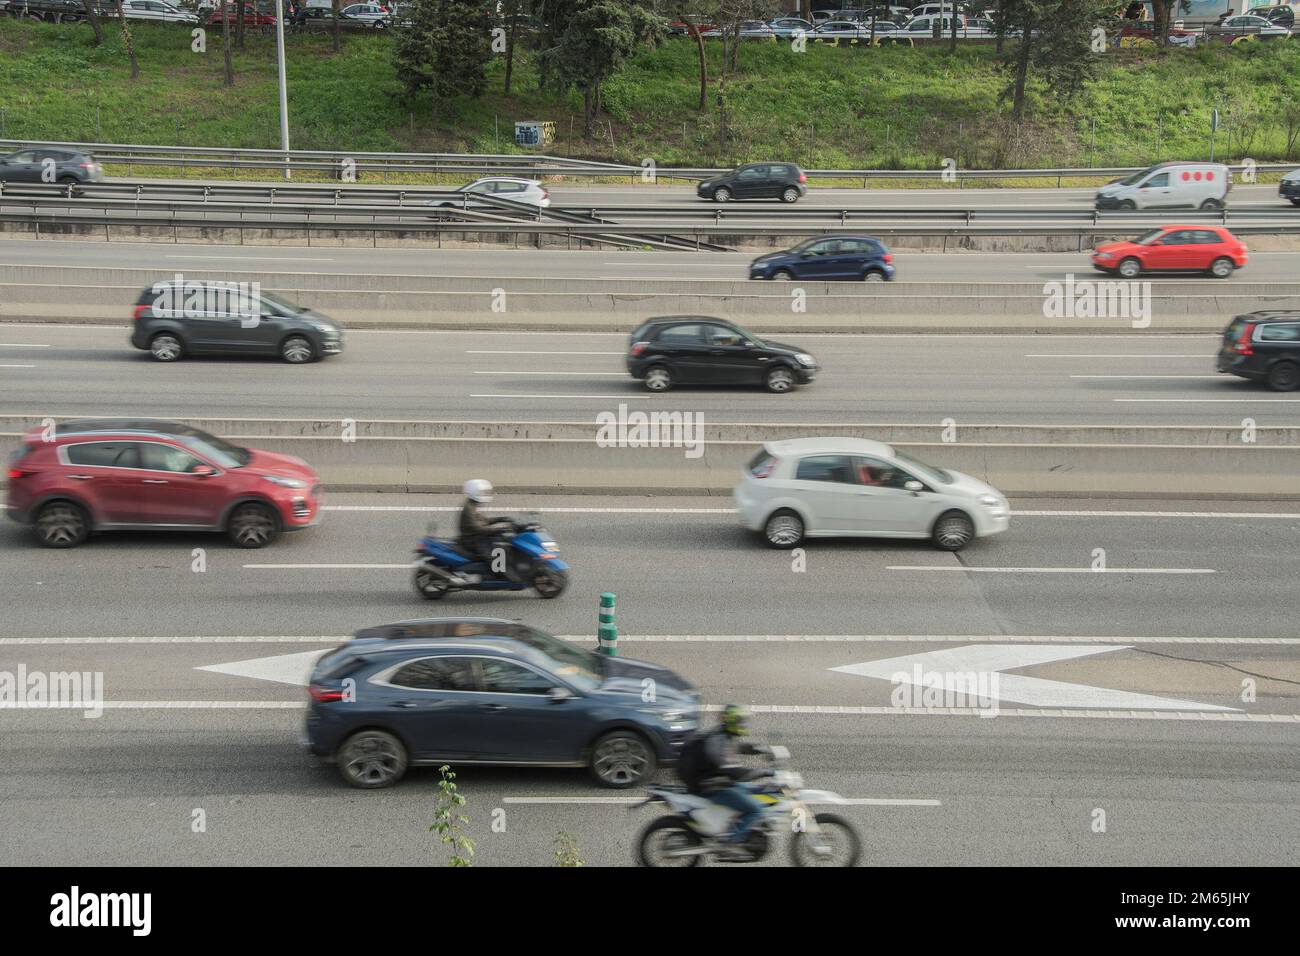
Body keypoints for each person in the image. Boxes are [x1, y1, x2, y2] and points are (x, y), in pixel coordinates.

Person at [677, 704, 771, 858]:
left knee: (751, 790)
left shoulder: (724, 735)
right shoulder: (718, 740)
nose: (744, 724)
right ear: (733, 721)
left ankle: (732, 825)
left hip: (715, 781)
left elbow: (738, 748)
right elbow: (731, 771)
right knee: (756, 809)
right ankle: (730, 842)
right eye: (741, 721)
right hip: (710, 786)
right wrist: (760, 772)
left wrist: (760, 749)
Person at [458, 479, 518, 581]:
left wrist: (501, 519)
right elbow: (478, 528)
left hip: (477, 536)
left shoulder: (473, 504)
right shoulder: (469, 509)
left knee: (503, 541)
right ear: (474, 492)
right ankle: (498, 573)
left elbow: (484, 521)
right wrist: (497, 529)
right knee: (492, 553)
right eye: (482, 492)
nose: (485, 494)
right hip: (472, 539)